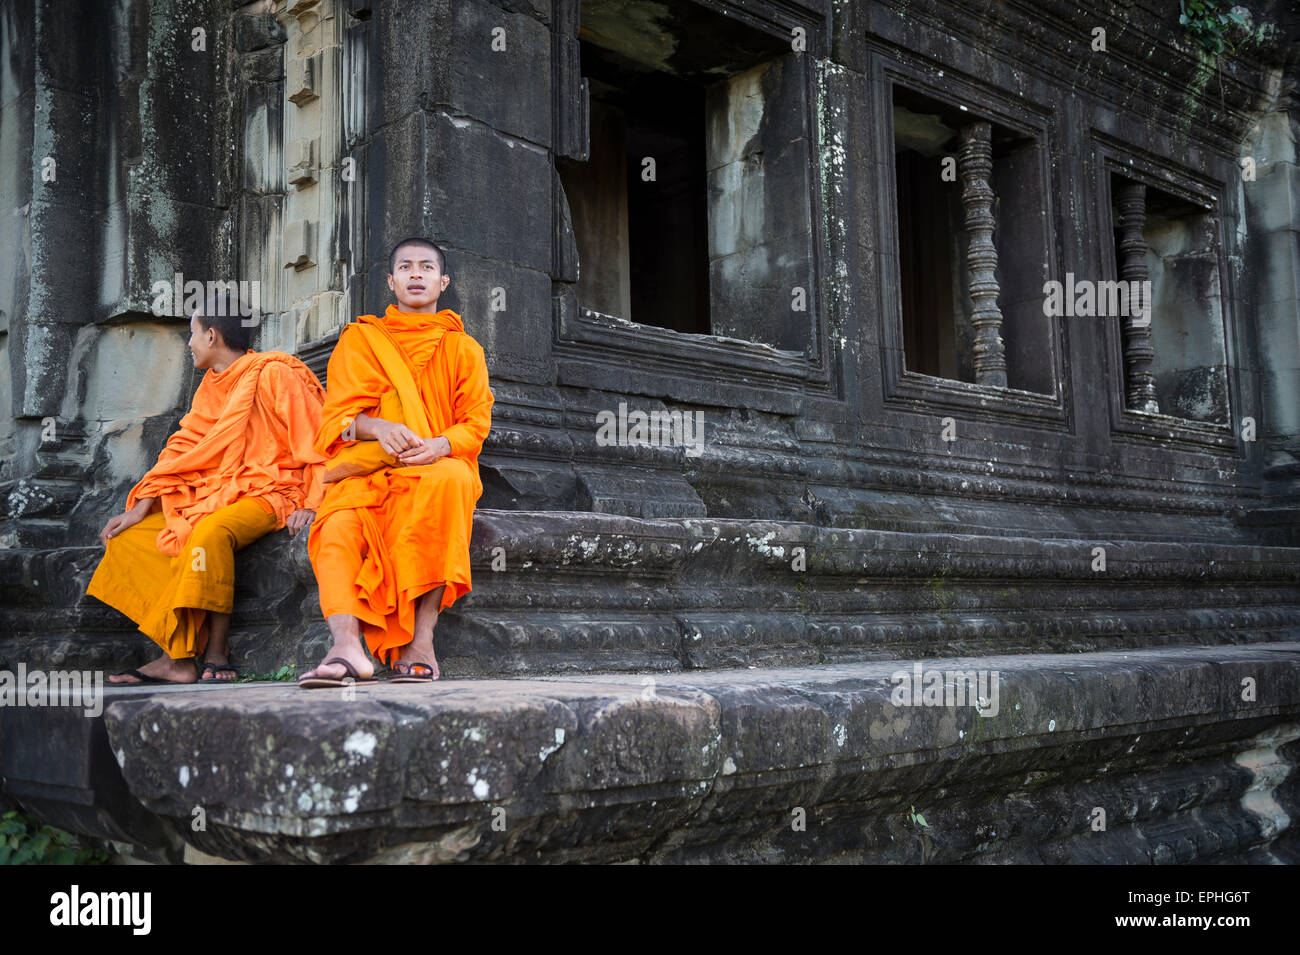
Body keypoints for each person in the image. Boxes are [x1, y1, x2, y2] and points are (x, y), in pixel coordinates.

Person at [87, 292, 327, 684]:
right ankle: (179, 657)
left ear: (212, 335)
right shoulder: (211, 386)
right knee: (133, 538)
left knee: (209, 533)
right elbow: (183, 447)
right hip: (215, 490)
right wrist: (141, 505)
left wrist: (314, 504)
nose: (189, 343)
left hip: (275, 491)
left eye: (193, 334)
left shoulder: (275, 374)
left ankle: (216, 652)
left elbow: (319, 440)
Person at [297, 237, 493, 687]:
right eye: (406, 268)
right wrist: (379, 429)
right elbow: (338, 419)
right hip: (367, 468)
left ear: (443, 282)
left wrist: (441, 445)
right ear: (391, 281)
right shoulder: (361, 339)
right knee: (337, 525)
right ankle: (347, 647)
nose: (416, 275)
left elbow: (475, 424)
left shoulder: (465, 350)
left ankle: (421, 638)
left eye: (427, 268)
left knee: (451, 482)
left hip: (433, 465)